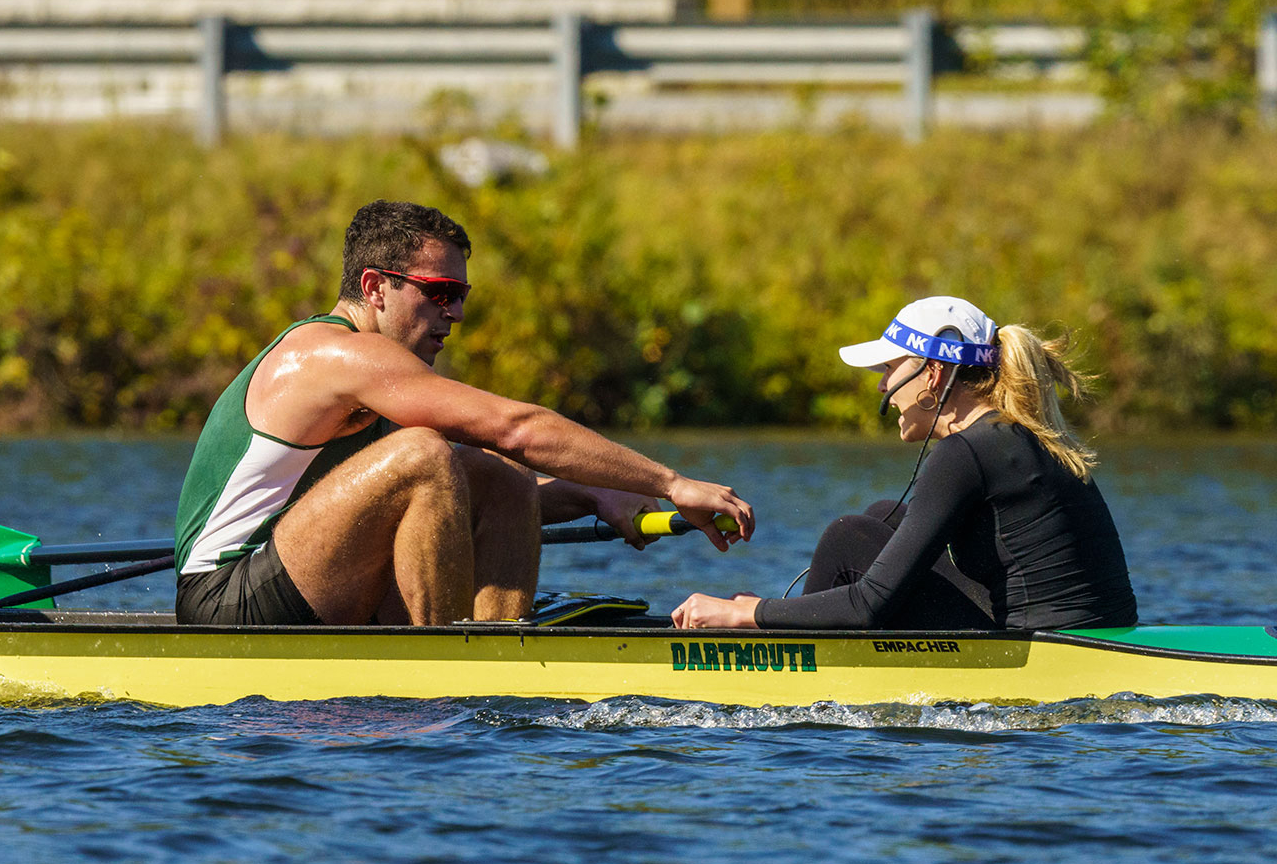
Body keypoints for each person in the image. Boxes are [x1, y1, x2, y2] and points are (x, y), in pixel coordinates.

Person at [173, 199, 756, 627]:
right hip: (228, 597)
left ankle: (495, 656)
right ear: (375, 287)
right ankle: (444, 667)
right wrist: (673, 483)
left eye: (462, 297)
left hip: (305, 570)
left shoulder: (381, 372)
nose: (454, 313)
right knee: (428, 453)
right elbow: (515, 426)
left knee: (498, 473)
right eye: (440, 292)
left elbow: (451, 502)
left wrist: (591, 496)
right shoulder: (335, 354)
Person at [672, 296, 1136, 632]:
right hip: (1075, 631)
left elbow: (868, 605)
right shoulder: (1015, 435)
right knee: (881, 518)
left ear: (932, 373)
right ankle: (794, 630)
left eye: (888, 371)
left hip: (1047, 650)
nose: (881, 388)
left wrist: (746, 613)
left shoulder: (965, 453)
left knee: (848, 537)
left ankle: (797, 660)